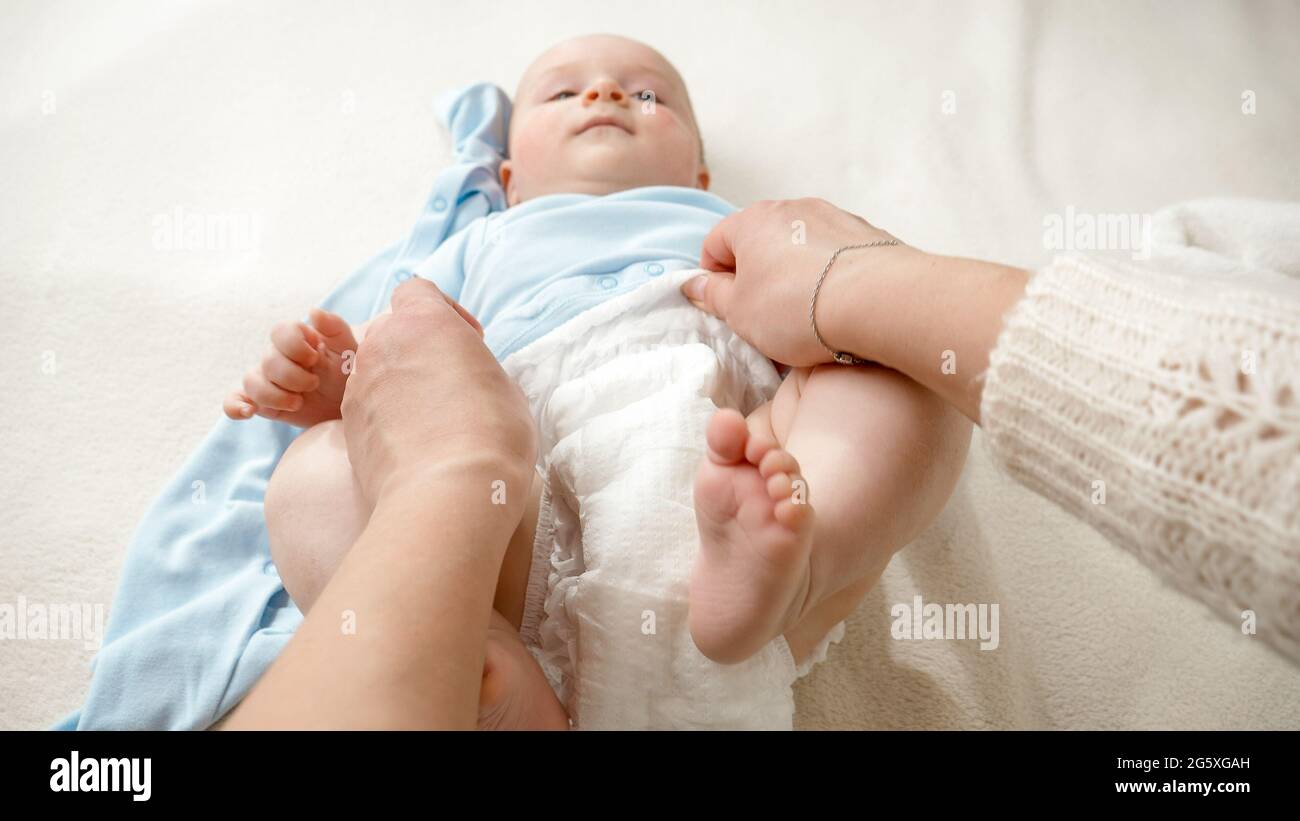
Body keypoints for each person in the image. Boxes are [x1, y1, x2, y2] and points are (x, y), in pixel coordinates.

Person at [681, 197, 1300, 664]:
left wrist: (858, 293)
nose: (606, 95)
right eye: (574, 91)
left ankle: (805, 566)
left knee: (905, 372)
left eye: (649, 94)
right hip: (587, 423)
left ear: (702, 173)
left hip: (759, 425)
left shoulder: (727, 222)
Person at [222, 278, 566, 729]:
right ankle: (483, 655)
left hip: (651, 462)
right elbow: (434, 365)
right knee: (311, 478)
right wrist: (364, 395)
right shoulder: (491, 241)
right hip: (532, 512)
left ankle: (463, 657)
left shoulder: (685, 233)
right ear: (509, 201)